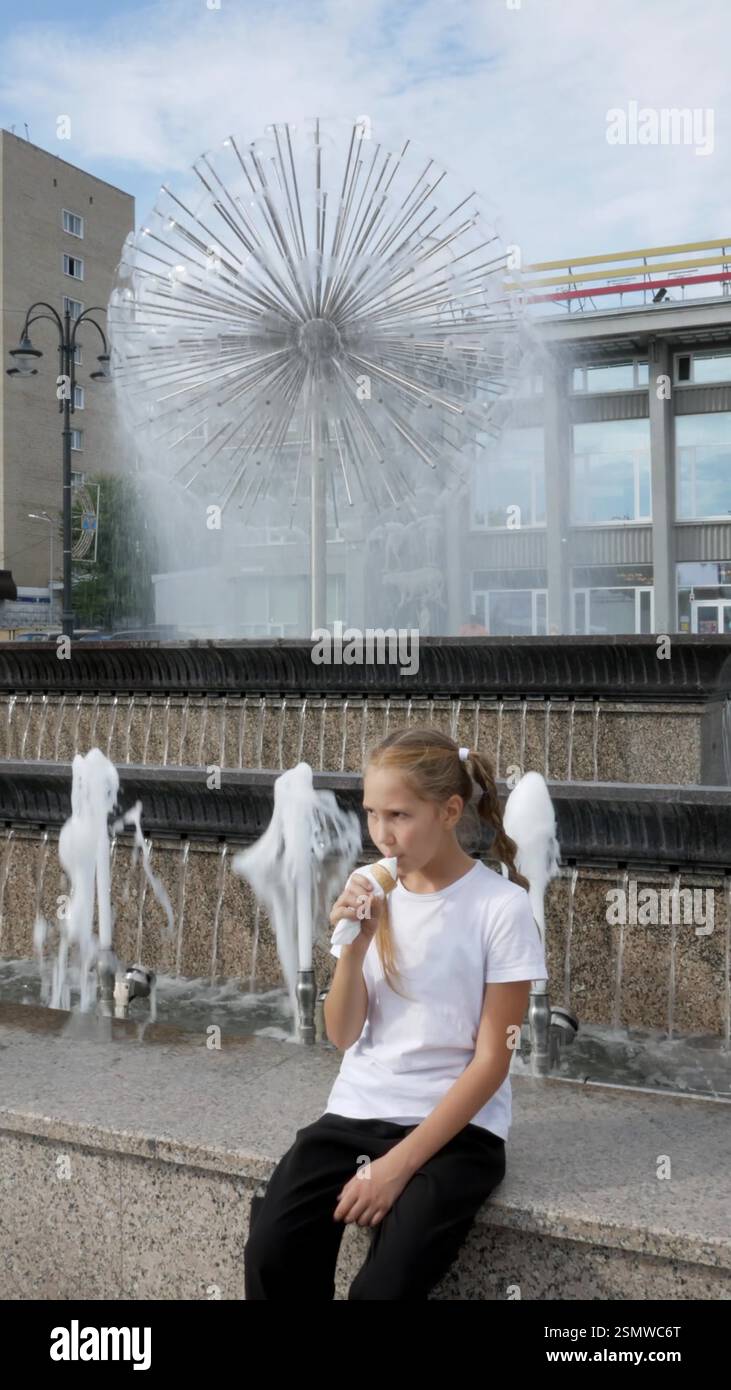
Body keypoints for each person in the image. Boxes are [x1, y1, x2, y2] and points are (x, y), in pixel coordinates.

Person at [244, 727, 547, 1300]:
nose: (383, 835)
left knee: (382, 1290)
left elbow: (491, 1064)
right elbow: (341, 1034)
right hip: (357, 1111)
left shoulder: (500, 908)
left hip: (457, 1131)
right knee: (271, 1251)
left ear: (450, 810)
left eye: (400, 816)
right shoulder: (369, 887)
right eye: (372, 814)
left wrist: (396, 1166)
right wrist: (354, 947)